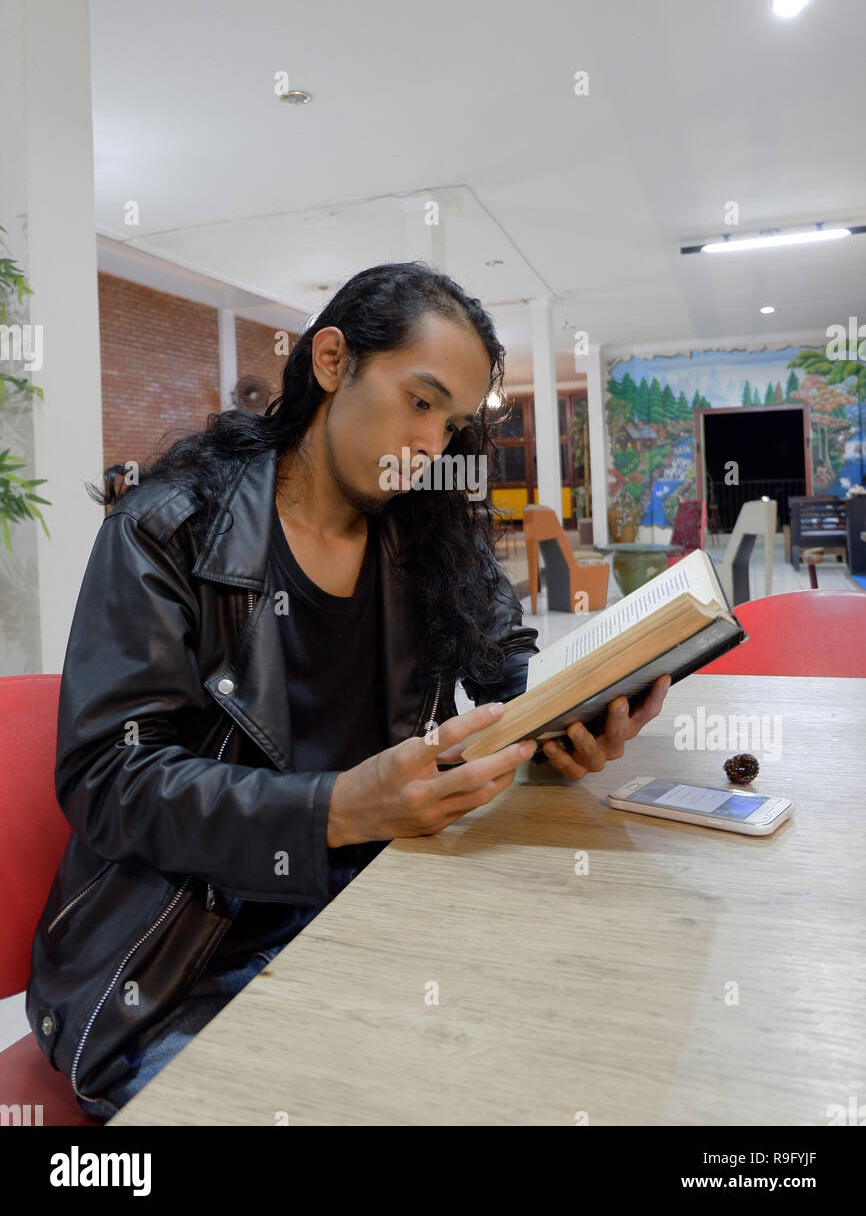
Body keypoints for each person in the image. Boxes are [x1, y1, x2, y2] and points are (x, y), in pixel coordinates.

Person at [25, 261, 669, 1120]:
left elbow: (512, 669)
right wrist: (338, 808)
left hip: (372, 918)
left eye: (451, 423)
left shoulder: (426, 532)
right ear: (332, 361)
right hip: (176, 969)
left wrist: (572, 719)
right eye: (419, 401)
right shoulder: (168, 528)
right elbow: (109, 779)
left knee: (588, 1037)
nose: (432, 446)